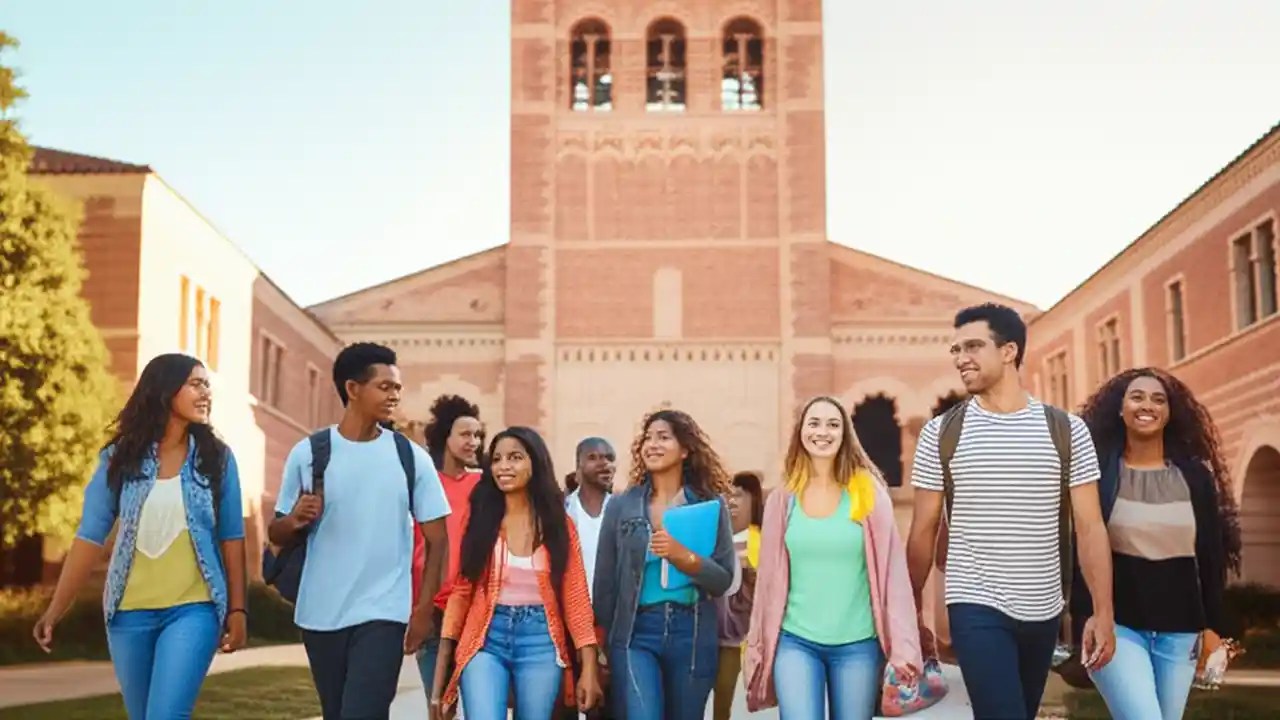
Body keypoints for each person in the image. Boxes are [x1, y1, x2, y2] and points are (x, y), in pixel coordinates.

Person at [905, 303, 1116, 720]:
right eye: (955, 349)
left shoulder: (1067, 431)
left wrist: (1103, 613)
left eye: (972, 346)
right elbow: (923, 529)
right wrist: (908, 609)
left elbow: (1090, 528)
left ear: (1008, 351)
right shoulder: (942, 433)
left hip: (1043, 607)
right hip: (975, 603)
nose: (960, 358)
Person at [33, 353, 246, 719]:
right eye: (195, 383)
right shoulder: (119, 459)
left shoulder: (217, 459)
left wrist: (238, 610)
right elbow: (89, 536)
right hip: (128, 615)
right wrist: (55, 609)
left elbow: (232, 537)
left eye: (207, 385)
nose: (205, 392)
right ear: (165, 390)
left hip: (194, 610)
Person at [268, 342, 451, 720]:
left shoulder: (409, 457)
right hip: (321, 612)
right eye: (385, 386)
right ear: (352, 389)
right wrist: (295, 518)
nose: (395, 395)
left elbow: (438, 538)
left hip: (383, 612)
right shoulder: (311, 452)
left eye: (397, 387)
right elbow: (276, 533)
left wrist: (422, 610)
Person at [1074, 368, 1242, 719]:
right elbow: (1083, 546)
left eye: (1158, 398)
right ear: (1119, 410)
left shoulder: (1194, 477)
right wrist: (1086, 617)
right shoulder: (1100, 476)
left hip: (1180, 632)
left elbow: (1209, 557)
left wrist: (1214, 627)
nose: (1147, 404)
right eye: (1136, 396)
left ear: (1169, 413)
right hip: (1118, 628)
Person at [745, 397, 922, 719]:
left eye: (833, 424)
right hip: (796, 642)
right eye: (814, 423)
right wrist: (757, 645)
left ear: (845, 434)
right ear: (800, 432)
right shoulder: (784, 499)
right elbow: (768, 583)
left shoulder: (867, 492)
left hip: (858, 645)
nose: (822, 432)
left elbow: (892, 576)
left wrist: (904, 646)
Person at [430, 427, 603, 720]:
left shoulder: (559, 526)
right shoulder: (481, 520)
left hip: (541, 640)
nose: (504, 467)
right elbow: (461, 594)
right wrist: (440, 681)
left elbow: (576, 599)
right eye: (496, 459)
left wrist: (589, 668)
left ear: (534, 463)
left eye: (515, 457)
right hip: (485, 638)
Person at [593, 409, 737, 720]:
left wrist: (682, 556)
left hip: (693, 632)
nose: (652, 444)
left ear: (685, 449)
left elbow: (723, 580)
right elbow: (604, 583)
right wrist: (600, 648)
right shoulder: (621, 505)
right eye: (647, 438)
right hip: (634, 633)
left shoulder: (710, 506)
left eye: (663, 437)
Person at [415, 394, 485, 703]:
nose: (475, 442)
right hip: (430, 610)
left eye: (478, 435)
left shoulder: (485, 486)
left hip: (474, 608)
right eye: (466, 434)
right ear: (446, 436)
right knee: (439, 705)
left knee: (478, 704)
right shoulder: (421, 483)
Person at [561, 437, 617, 720]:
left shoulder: (623, 512)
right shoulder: (560, 512)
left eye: (609, 457)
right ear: (578, 466)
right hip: (565, 629)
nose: (604, 463)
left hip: (609, 629)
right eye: (594, 457)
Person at [712, 470, 763, 720]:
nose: (731, 501)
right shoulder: (712, 541)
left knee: (728, 698)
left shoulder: (763, 542)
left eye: (739, 496)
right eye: (726, 495)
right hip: (710, 636)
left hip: (742, 639)